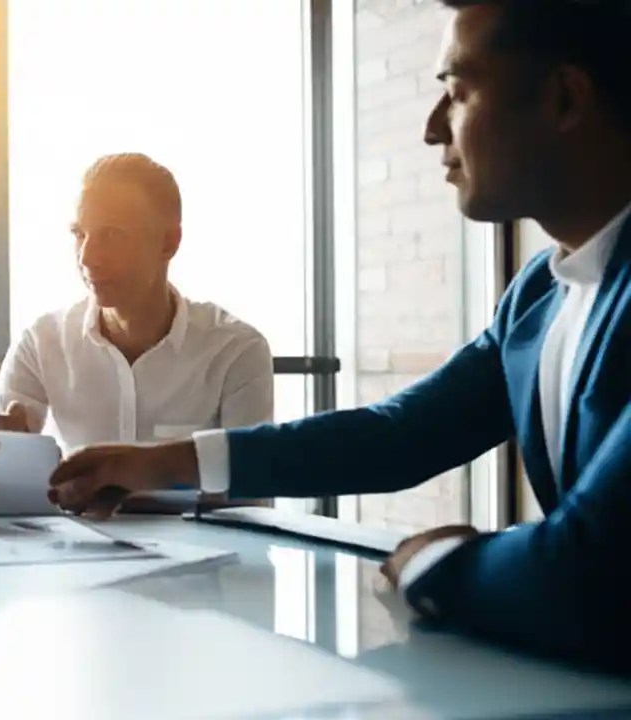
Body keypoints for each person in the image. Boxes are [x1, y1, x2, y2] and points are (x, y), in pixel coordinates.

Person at [49, 0, 631, 670]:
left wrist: (430, 559)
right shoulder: (536, 295)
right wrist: (163, 462)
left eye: (458, 92)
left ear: (564, 98)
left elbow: (593, 570)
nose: (432, 128)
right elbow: (400, 434)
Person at [0, 153, 274, 455]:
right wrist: (8, 452)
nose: (87, 258)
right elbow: (6, 479)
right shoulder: (41, 344)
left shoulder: (235, 351)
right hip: (75, 506)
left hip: (201, 507)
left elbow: (250, 491)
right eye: (79, 234)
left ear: (169, 242)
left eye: (111, 235)